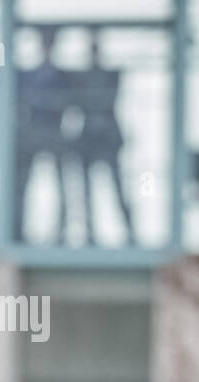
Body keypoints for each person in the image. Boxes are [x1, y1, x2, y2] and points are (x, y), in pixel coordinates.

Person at [74, 32, 134, 246]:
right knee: (86, 190)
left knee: (117, 187)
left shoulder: (112, 74)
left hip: (108, 139)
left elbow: (107, 99)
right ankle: (89, 235)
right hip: (88, 138)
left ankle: (130, 232)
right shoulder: (80, 77)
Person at [15, 27, 71, 244]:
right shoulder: (27, 75)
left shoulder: (64, 76)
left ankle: (61, 231)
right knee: (23, 184)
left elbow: (68, 102)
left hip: (55, 134)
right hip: (31, 135)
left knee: (61, 184)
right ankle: (18, 230)